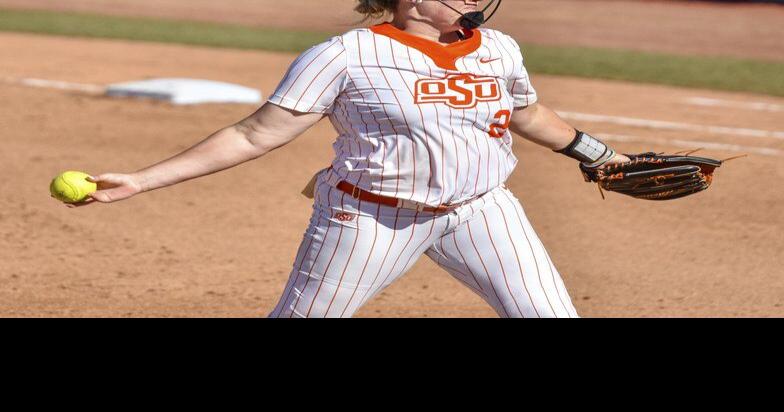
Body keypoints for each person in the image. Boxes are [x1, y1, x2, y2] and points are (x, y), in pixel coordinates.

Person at [74, 0, 630, 318]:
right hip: (370, 218)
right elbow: (253, 135)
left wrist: (598, 154)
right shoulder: (345, 56)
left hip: (484, 212)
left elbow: (528, 114)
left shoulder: (499, 47)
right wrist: (141, 182)